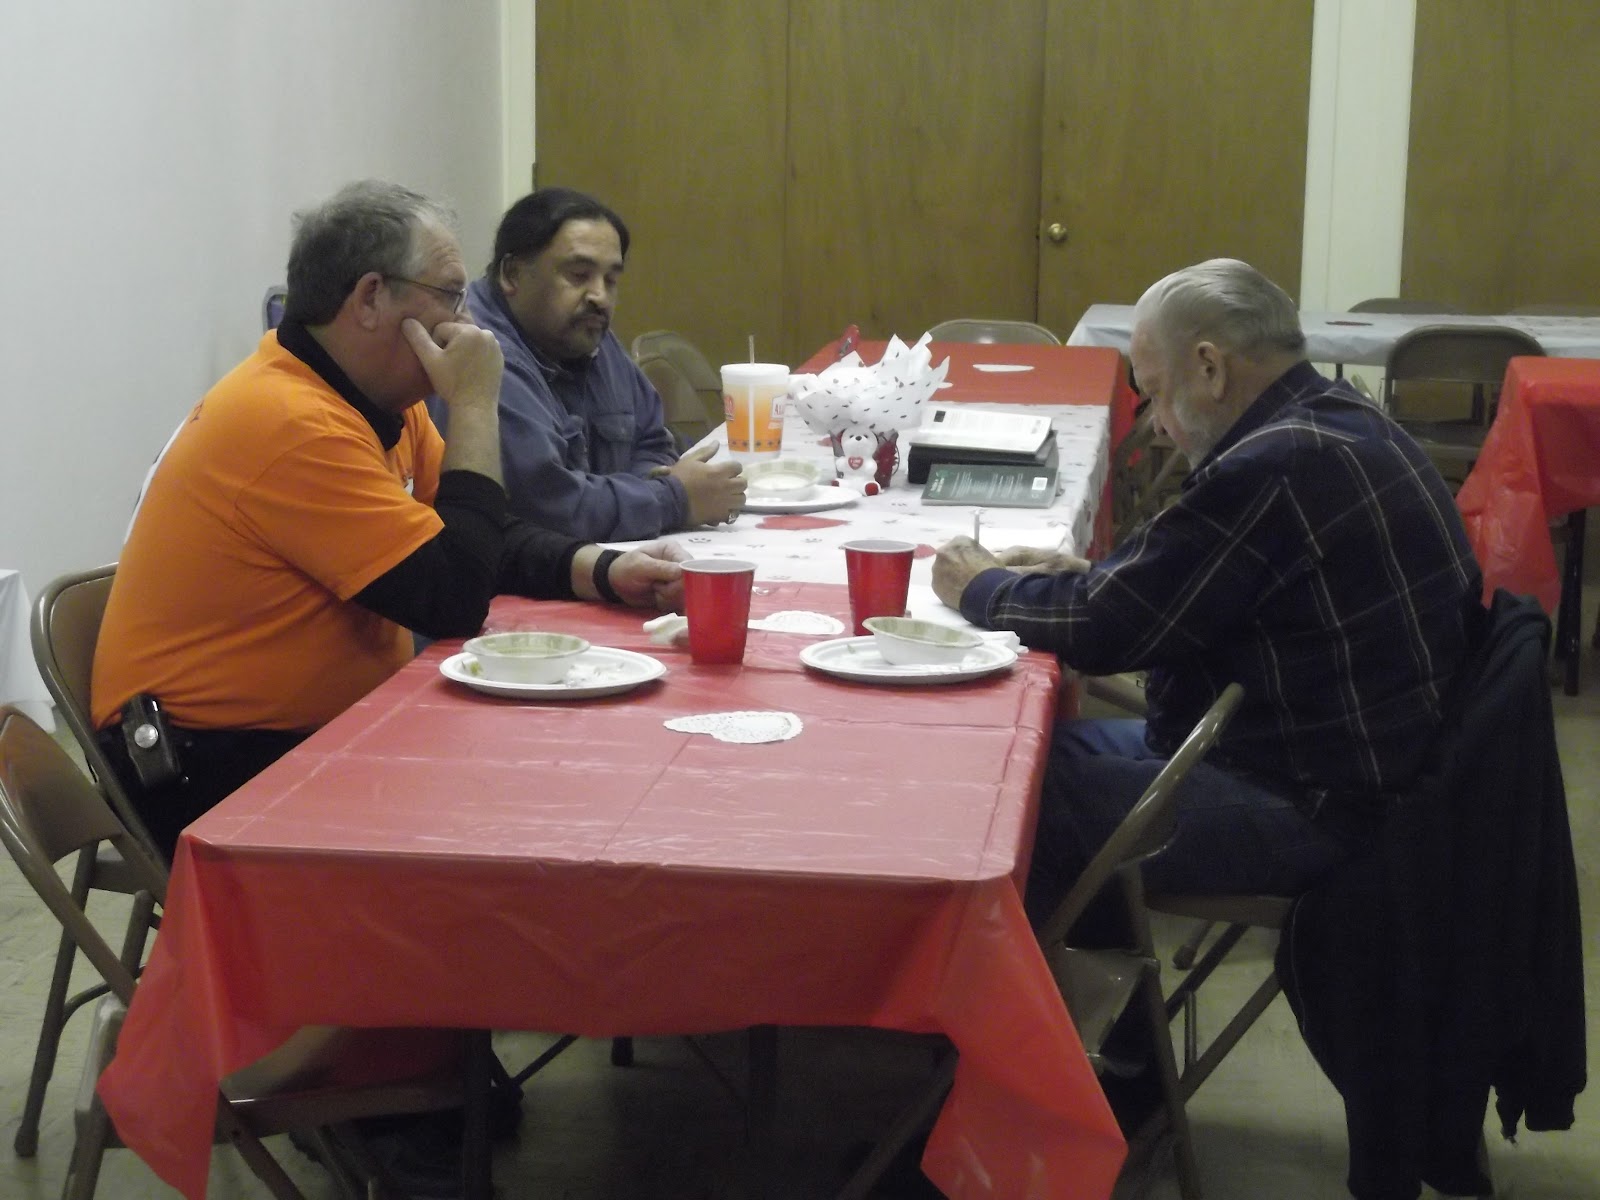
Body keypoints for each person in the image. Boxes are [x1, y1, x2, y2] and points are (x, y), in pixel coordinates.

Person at [92, 180, 688, 863]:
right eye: (451, 295)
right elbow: (454, 596)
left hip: (310, 729)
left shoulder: (381, 401)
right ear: (371, 297)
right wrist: (471, 406)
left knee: (562, 768)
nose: (469, 325)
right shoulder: (291, 421)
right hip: (211, 763)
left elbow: (477, 533)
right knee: (533, 813)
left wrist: (605, 570)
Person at [932, 258, 1484, 927]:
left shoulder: (1274, 465)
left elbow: (1105, 631)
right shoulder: (1337, 417)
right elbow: (1184, 584)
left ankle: (1036, 1024)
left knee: (999, 797)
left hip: (1328, 813)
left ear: (1209, 367)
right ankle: (1095, 1016)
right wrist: (1084, 577)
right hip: (1376, 778)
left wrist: (978, 585)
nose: (1158, 424)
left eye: (1156, 392)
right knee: (1021, 751)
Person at [427, 187, 746, 540]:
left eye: (611, 280)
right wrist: (671, 499)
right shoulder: (481, 351)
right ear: (512, 275)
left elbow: (653, 440)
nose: (600, 296)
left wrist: (643, 493)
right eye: (579, 275)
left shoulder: (584, 330)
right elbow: (548, 508)